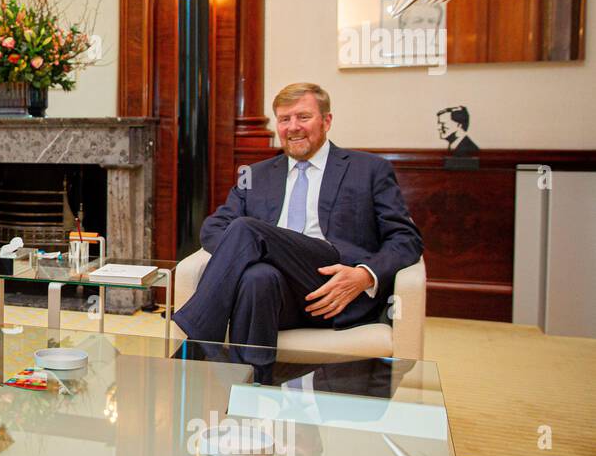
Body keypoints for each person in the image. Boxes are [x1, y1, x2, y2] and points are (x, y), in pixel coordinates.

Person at [172, 82, 422, 349]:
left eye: (303, 117)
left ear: (327, 121)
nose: (293, 127)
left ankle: (197, 341)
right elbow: (214, 227)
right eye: (284, 119)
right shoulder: (255, 175)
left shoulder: (370, 169)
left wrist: (364, 275)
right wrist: (251, 256)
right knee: (258, 277)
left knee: (246, 229)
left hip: (333, 286)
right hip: (278, 294)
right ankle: (253, 384)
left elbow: (405, 238)